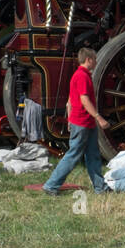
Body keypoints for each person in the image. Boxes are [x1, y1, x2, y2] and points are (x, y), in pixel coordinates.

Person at [42, 47, 110, 196]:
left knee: (93, 155)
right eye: (95, 59)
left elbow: (70, 101)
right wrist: (99, 117)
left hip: (84, 122)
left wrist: (69, 118)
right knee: (73, 156)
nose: (96, 62)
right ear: (89, 60)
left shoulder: (79, 75)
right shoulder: (82, 76)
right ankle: (51, 185)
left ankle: (100, 188)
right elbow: (84, 100)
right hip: (83, 122)